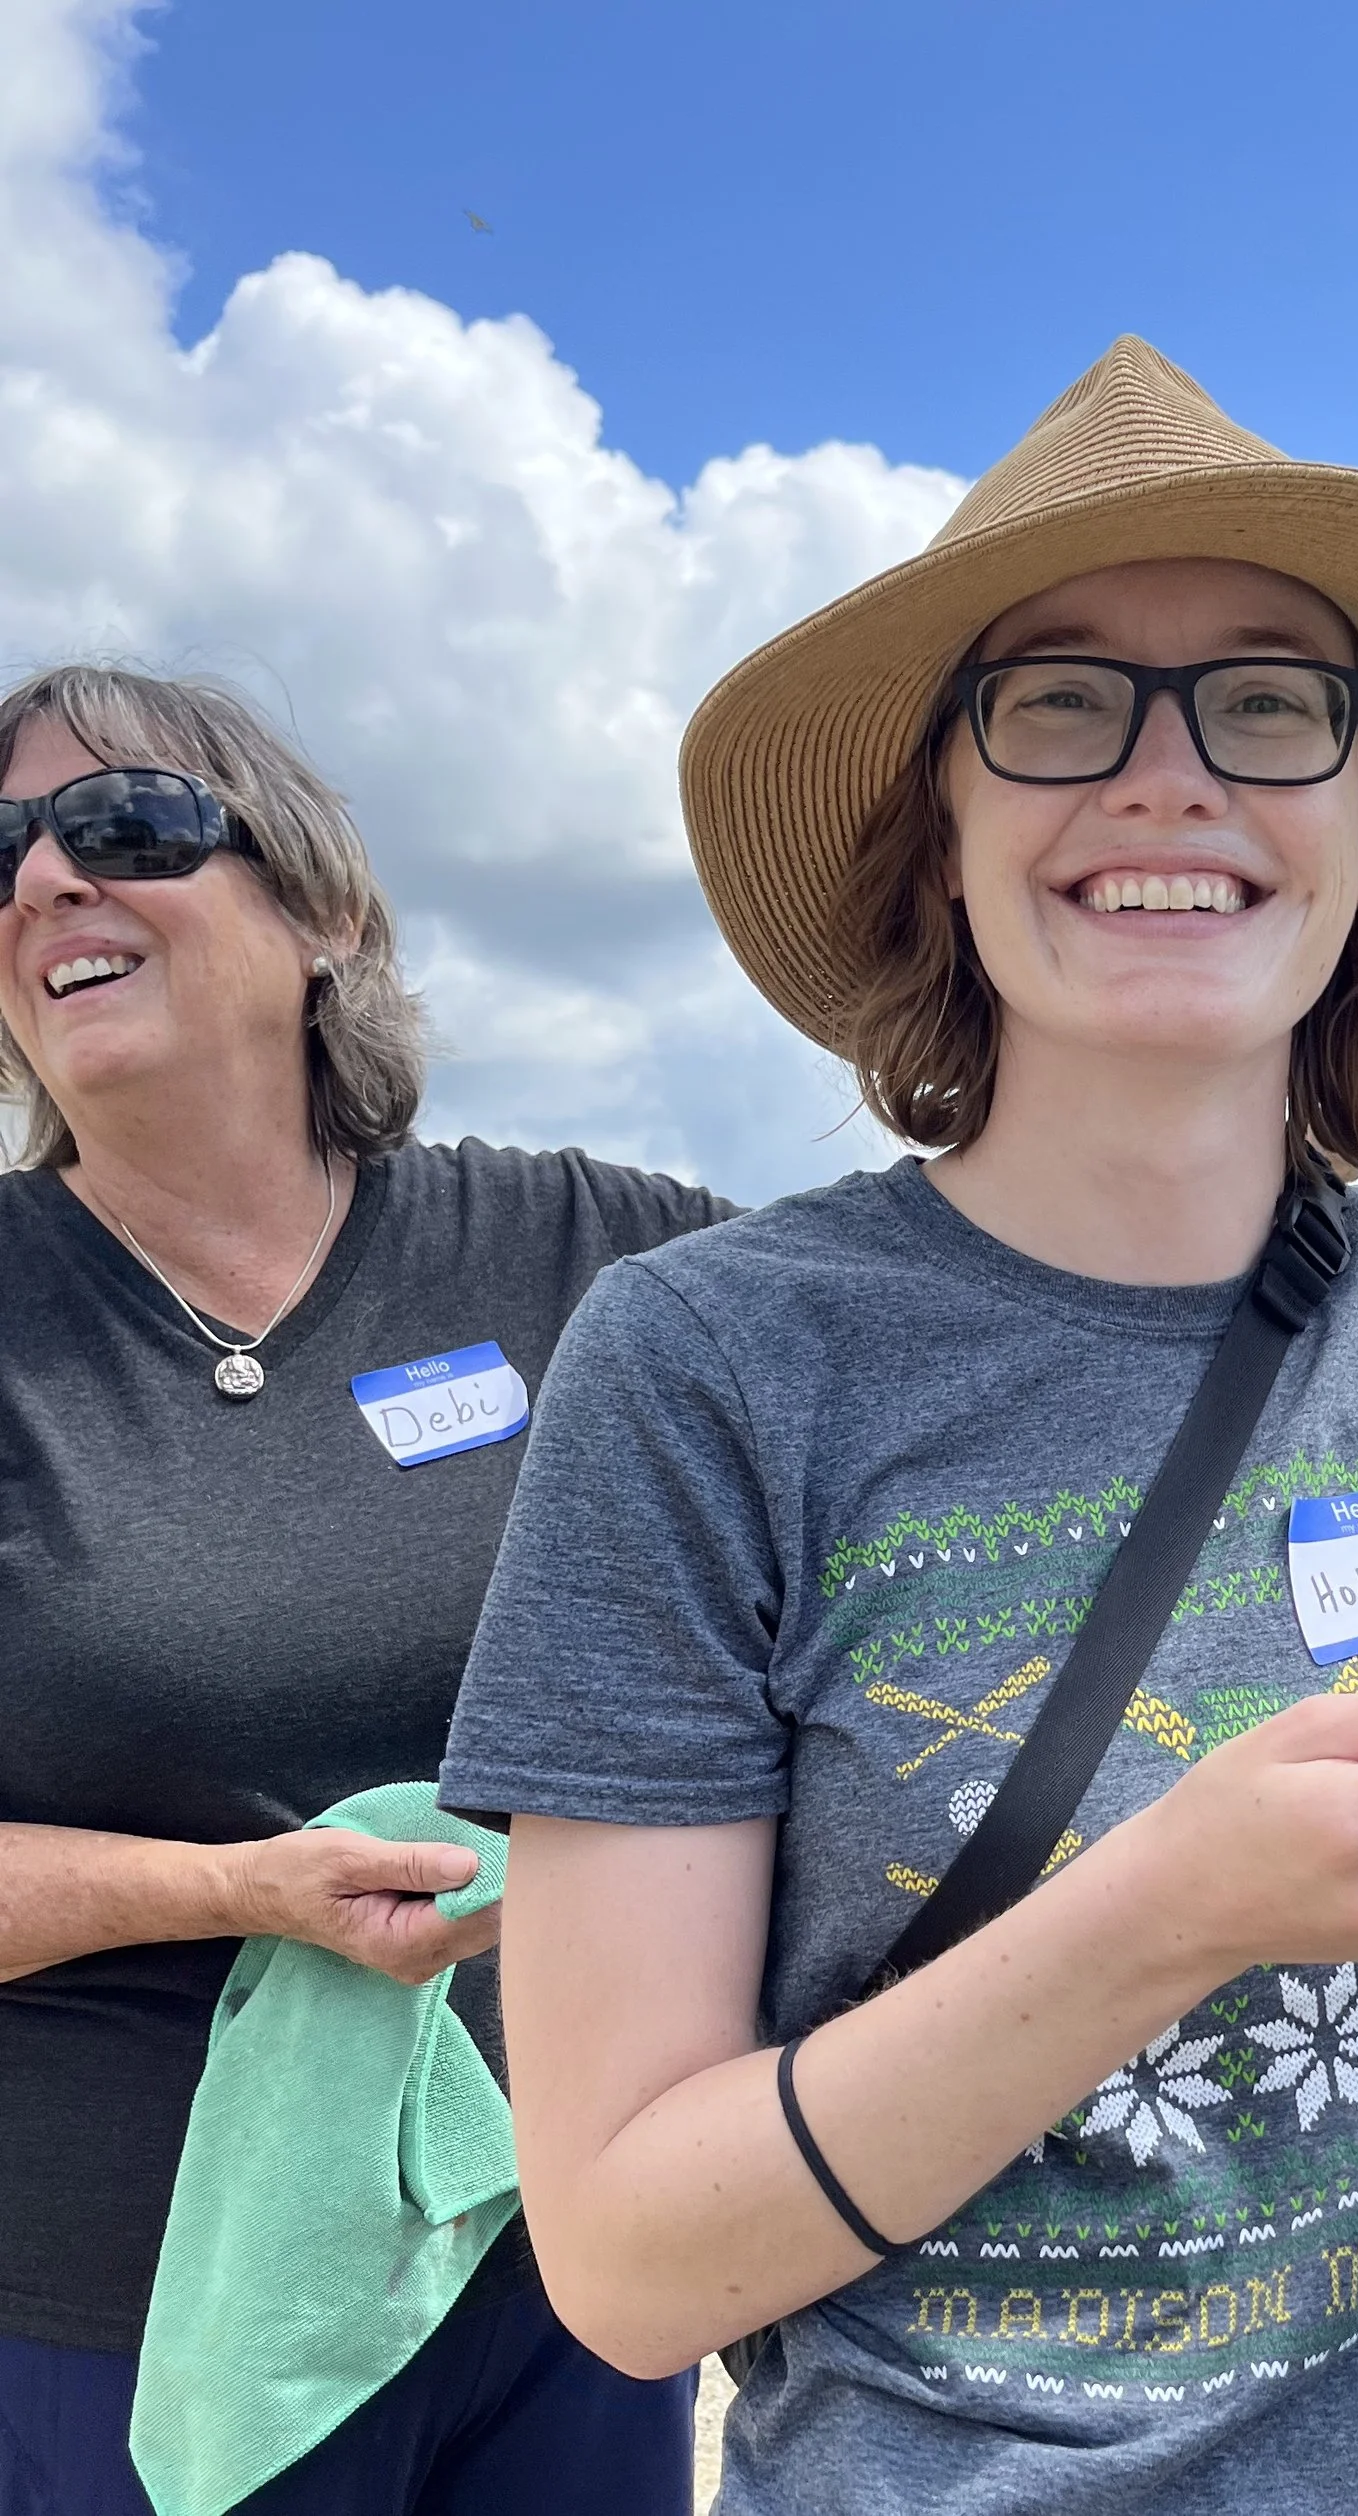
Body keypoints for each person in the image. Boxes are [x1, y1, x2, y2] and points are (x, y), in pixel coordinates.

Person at [440, 338, 1358, 2515]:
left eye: (1270, 704)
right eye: (1056, 705)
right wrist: (1172, 1906)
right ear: (939, 829)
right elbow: (632, 2265)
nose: (1165, 782)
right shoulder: (707, 1367)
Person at [0, 668, 729, 2514]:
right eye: (0, 852)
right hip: (124, 2313)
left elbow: (962, 1291)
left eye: (127, 826)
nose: (43, 885)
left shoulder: (586, 1248)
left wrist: (1320, 1107)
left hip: (558, 2240)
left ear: (328, 912)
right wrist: (236, 1892)